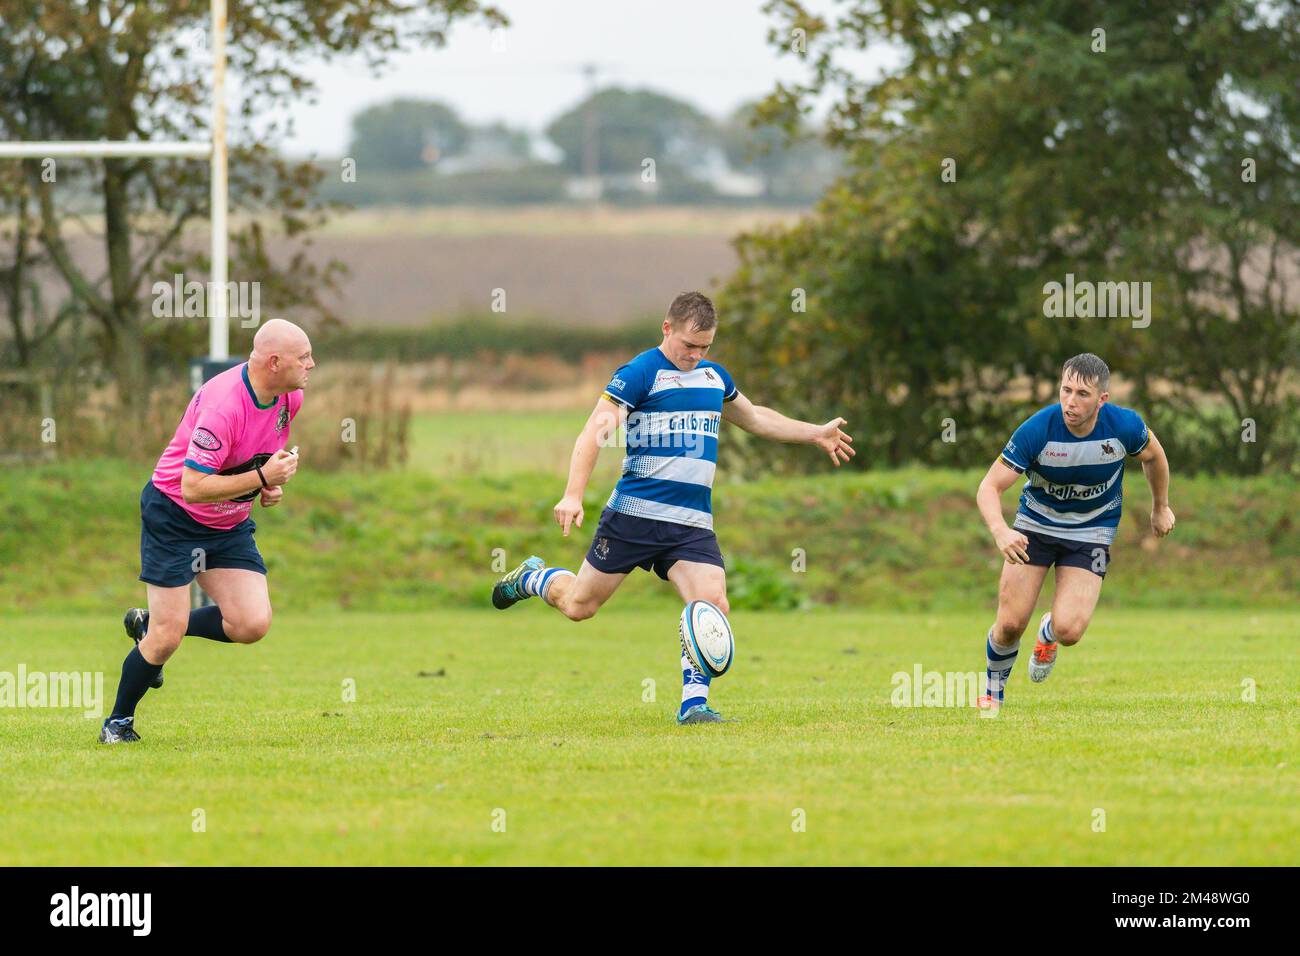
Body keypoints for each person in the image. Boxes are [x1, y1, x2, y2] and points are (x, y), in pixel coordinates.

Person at [491, 292, 854, 724]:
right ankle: (533, 576)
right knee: (579, 606)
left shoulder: (714, 377)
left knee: (712, 603)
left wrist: (815, 433)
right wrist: (573, 493)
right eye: (689, 346)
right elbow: (594, 432)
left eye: (705, 347)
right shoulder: (640, 373)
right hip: (634, 517)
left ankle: (693, 705)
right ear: (667, 329)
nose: (696, 355)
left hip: (691, 524)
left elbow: (756, 418)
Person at [100, 319, 314, 743]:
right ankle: (118, 722)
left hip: (227, 526)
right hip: (175, 517)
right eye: (304, 356)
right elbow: (193, 486)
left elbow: (259, 455)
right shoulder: (223, 405)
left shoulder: (291, 397)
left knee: (251, 623)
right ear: (274, 362)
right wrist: (259, 478)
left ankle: (148, 623)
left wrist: (268, 483)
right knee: (166, 638)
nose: (312, 363)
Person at [974, 353, 1175, 712]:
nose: (1070, 401)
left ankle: (1049, 632)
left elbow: (1155, 457)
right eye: (1065, 390)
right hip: (1035, 527)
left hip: (1092, 532)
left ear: (1102, 399)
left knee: (1070, 632)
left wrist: (1160, 506)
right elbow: (989, 487)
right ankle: (992, 692)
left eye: (1082, 394)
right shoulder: (1037, 429)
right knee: (1009, 624)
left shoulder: (1124, 427)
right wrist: (1001, 531)